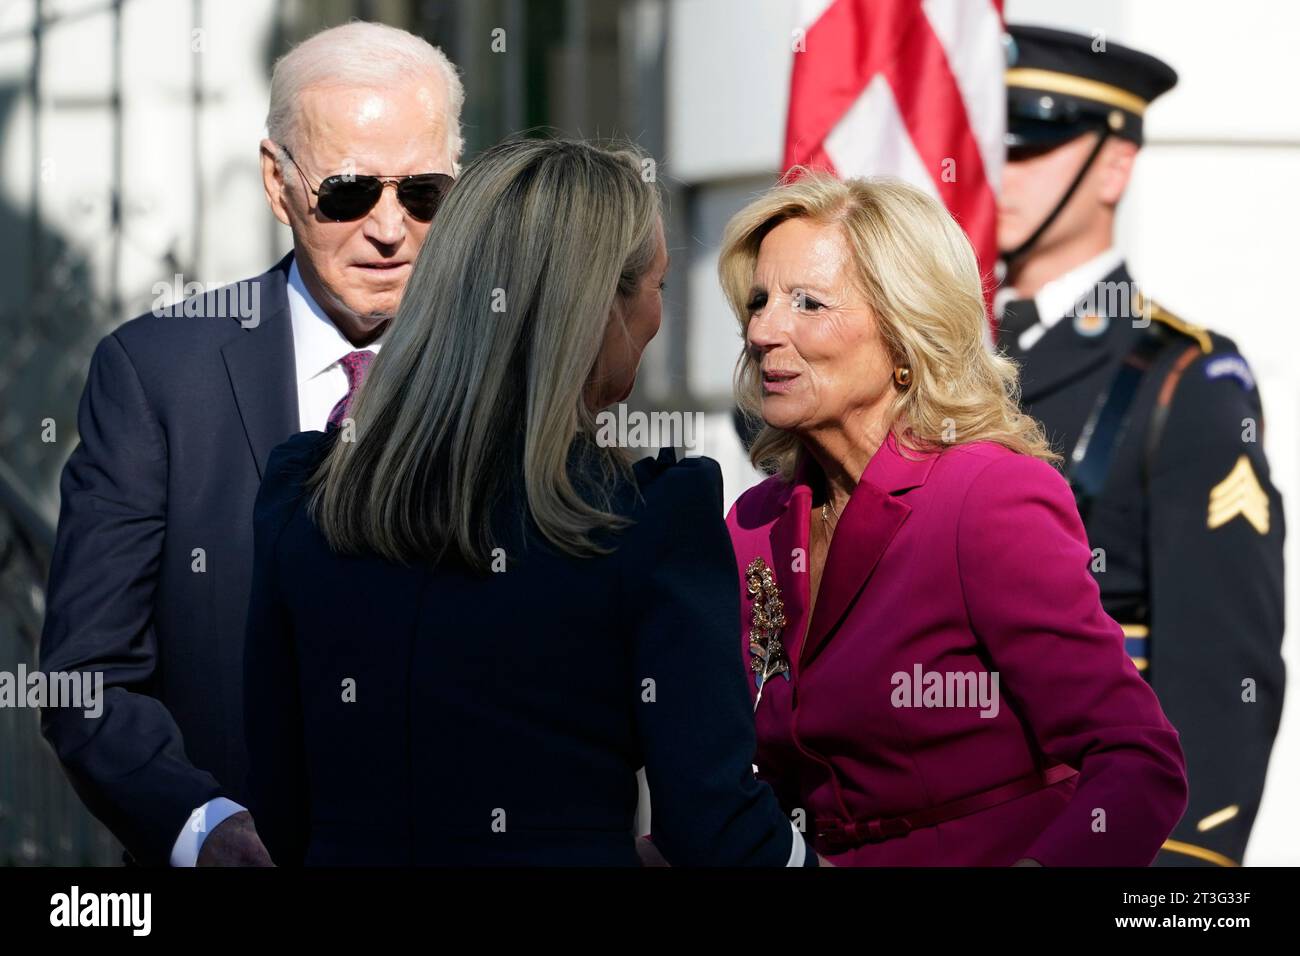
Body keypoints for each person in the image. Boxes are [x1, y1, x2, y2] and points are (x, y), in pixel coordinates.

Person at [243, 138, 818, 867]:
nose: (656, 319)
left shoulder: (306, 495)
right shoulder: (647, 522)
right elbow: (714, 823)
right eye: (659, 289)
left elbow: (281, 805)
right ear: (599, 305)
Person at [39, 21, 463, 867]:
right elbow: (87, 677)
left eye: (422, 193)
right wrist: (204, 829)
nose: (390, 230)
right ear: (279, 182)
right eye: (348, 192)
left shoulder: (514, 371)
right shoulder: (158, 374)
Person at [720, 172, 1187, 865]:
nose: (762, 331)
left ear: (905, 332)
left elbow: (1136, 760)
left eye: (808, 303)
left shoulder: (988, 497)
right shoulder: (754, 524)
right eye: (759, 301)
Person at [996, 24, 1284, 866]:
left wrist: (1175, 882)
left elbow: (1222, 674)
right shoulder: (935, 359)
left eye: (1028, 150)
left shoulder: (1183, 380)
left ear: (1112, 166)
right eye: (989, 151)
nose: (997, 177)